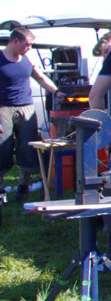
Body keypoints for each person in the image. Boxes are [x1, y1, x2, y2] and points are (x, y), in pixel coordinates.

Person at [1, 26, 62, 201]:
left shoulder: (26, 59)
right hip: (2, 108)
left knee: (28, 147)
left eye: (30, 45)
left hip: (26, 107)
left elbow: (41, 78)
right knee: (2, 148)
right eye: (26, 45)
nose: (28, 48)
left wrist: (56, 92)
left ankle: (23, 184)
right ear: (15, 41)